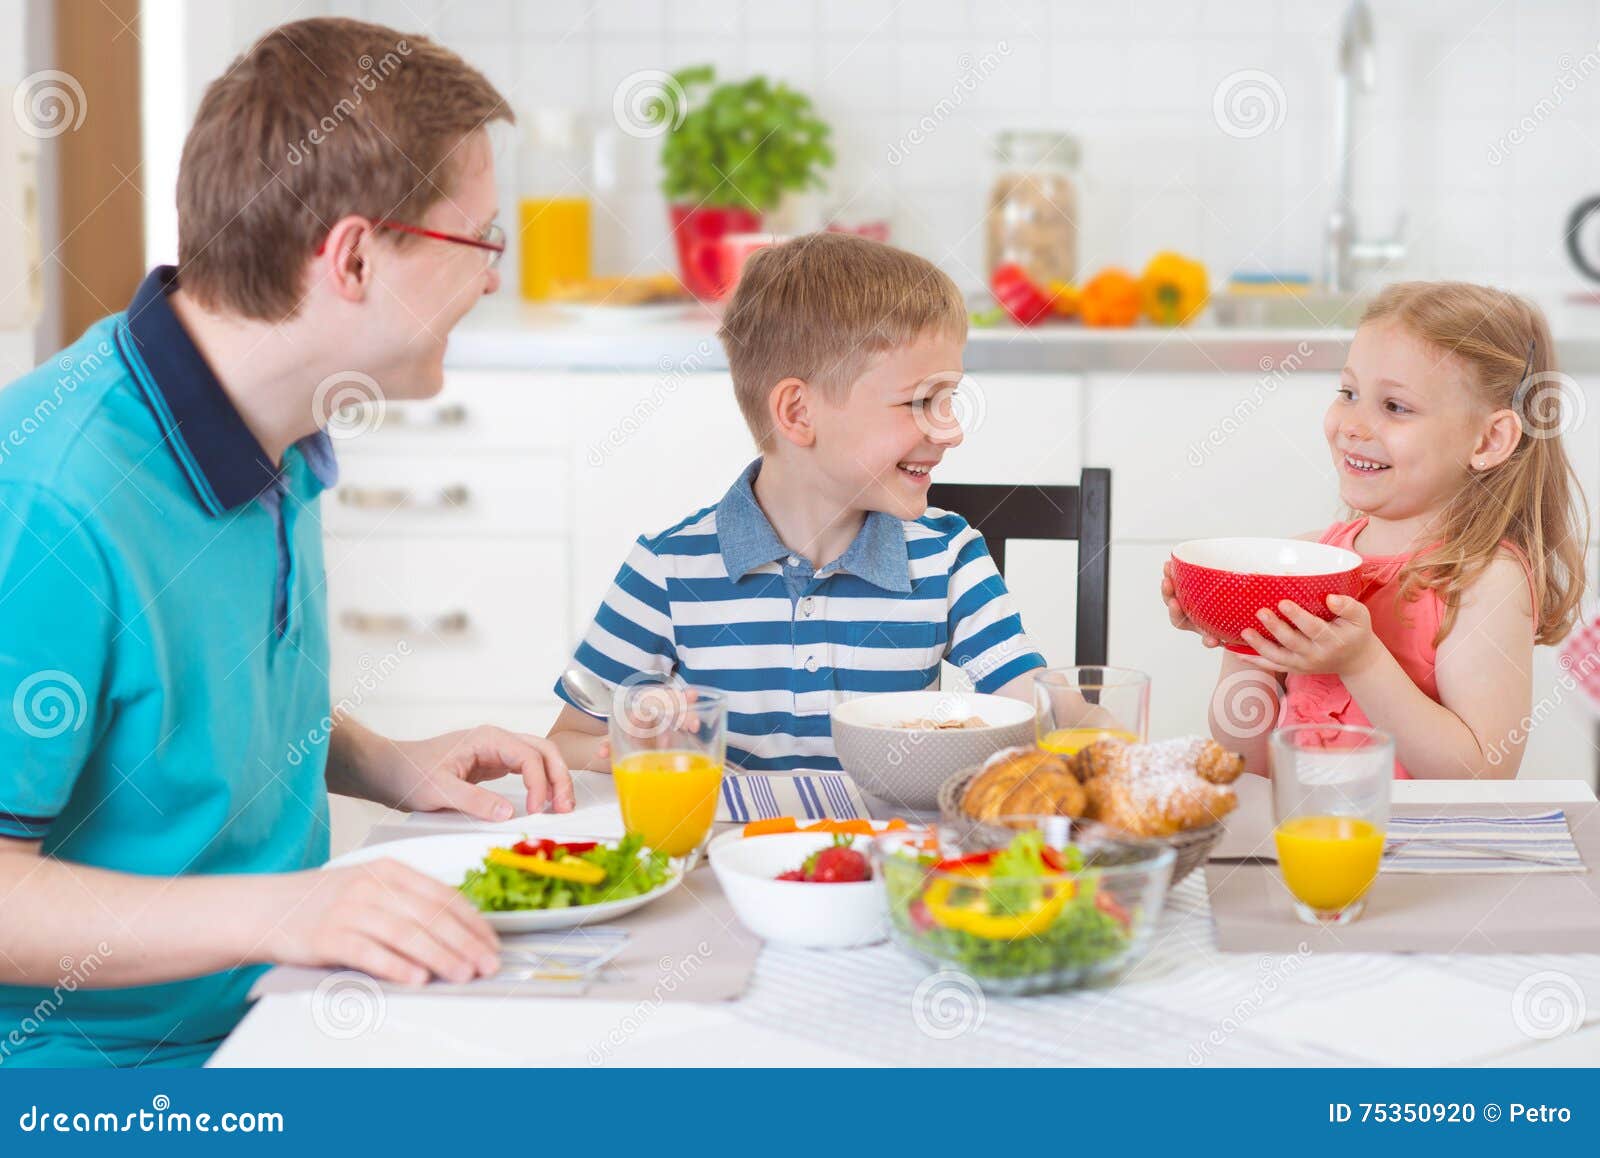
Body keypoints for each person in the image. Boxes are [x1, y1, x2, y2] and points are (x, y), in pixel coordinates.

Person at [0, 18, 571, 1068]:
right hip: (89, 1075)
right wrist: (286, 915)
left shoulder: (279, 423)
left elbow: (174, 698)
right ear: (354, 256)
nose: (495, 280)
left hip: (277, 1008)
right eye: (480, 241)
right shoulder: (49, 498)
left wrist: (383, 763)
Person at [547, 232, 1046, 775]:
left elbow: (1043, 716)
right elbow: (570, 741)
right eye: (921, 402)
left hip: (893, 857)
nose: (951, 431)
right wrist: (641, 745)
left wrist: (1100, 728)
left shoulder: (948, 559)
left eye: (950, 400)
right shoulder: (669, 570)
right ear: (798, 413)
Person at [1163, 282, 1587, 778]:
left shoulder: (1483, 581)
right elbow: (1247, 762)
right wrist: (1241, 638)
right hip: (1306, 847)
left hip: (1421, 854)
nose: (1353, 426)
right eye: (1348, 393)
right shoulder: (1309, 557)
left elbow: (1482, 777)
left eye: (1395, 407)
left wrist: (1362, 663)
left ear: (1490, 439)